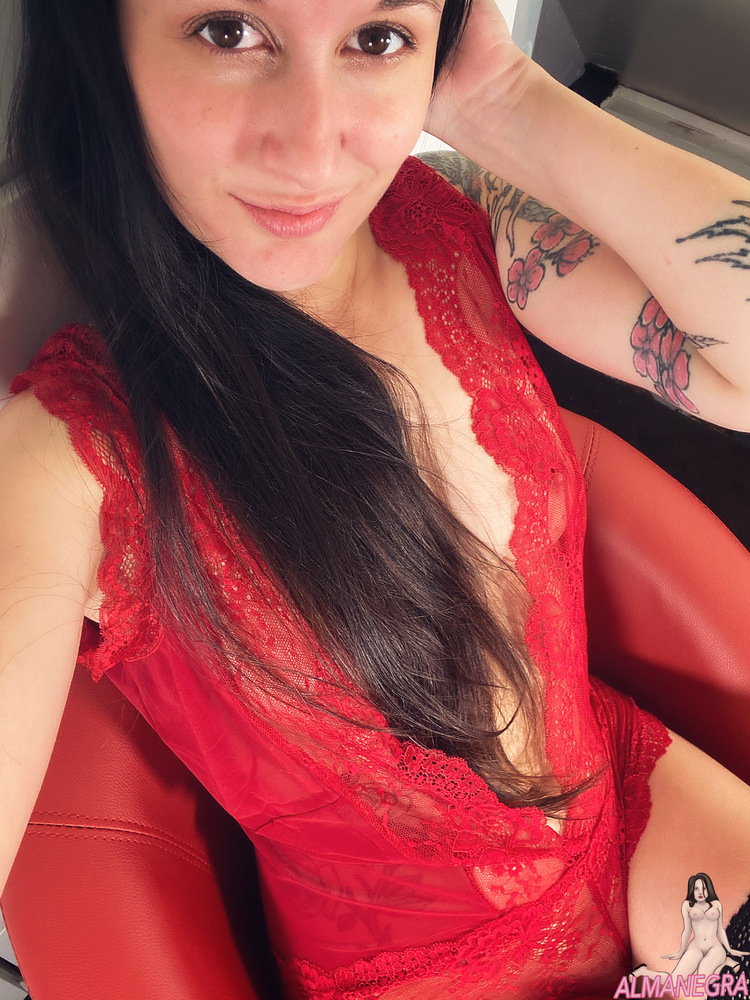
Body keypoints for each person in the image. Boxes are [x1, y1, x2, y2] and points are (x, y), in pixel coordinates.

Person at [1, 0, 750, 996]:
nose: (315, 147)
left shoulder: (448, 222)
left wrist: (503, 100)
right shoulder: (67, 455)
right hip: (428, 963)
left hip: (622, 798)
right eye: (229, 32)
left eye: (377, 38)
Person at [631, 874, 749, 983]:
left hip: (714, 946)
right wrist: (681, 951)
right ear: (692, 889)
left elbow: (720, 929)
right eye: (696, 888)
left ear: (709, 889)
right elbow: (686, 930)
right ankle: (643, 972)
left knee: (703, 981)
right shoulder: (687, 905)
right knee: (674, 981)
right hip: (696, 946)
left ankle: (724, 961)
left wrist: (729, 949)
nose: (700, 892)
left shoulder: (716, 904)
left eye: (704, 888)